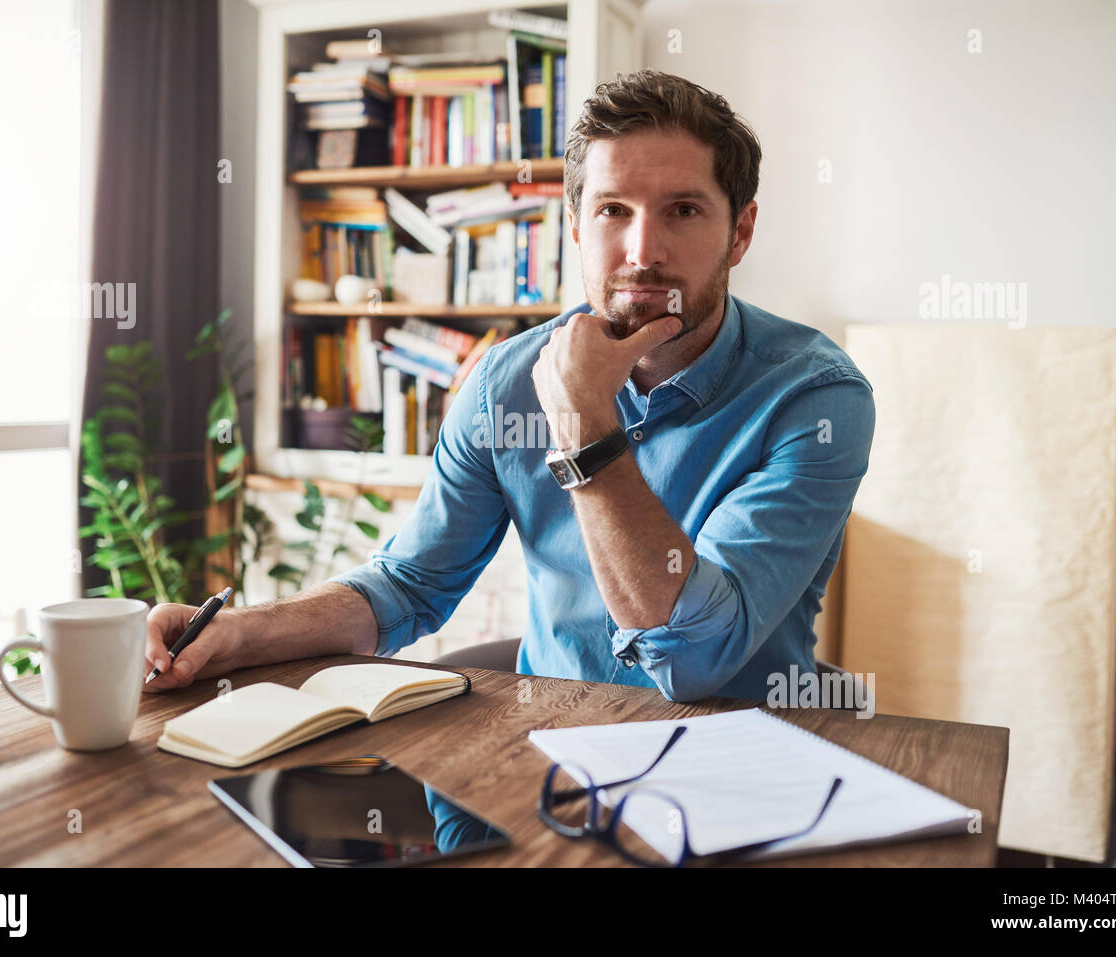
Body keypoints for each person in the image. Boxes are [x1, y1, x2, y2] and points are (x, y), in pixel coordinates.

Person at [144, 70, 875, 704]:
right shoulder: (504, 384)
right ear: (576, 227)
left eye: (683, 211)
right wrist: (239, 633)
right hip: (545, 755)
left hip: (746, 769)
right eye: (613, 210)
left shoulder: (815, 399)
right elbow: (410, 585)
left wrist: (585, 425)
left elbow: (691, 658)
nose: (642, 250)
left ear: (740, 232)